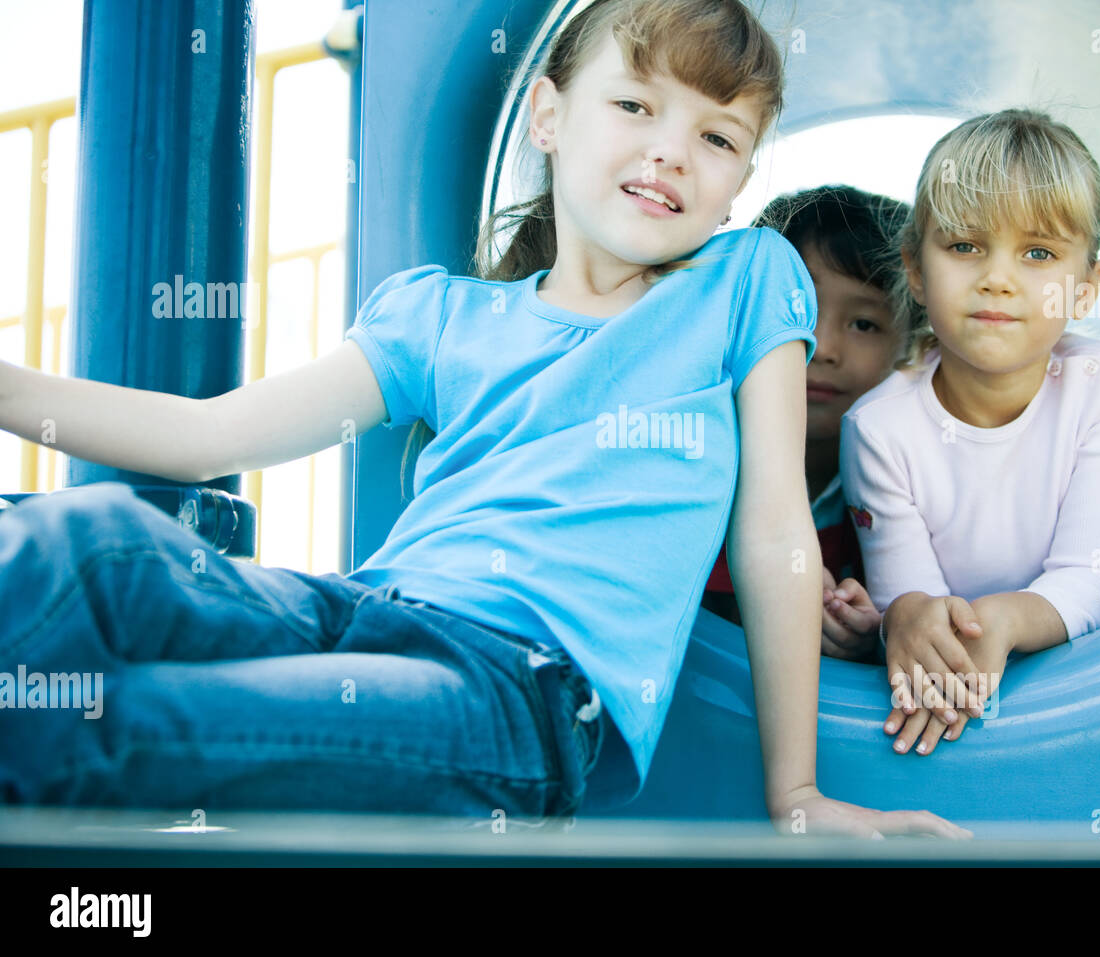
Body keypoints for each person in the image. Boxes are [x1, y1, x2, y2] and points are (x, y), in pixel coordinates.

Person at [0, 0, 967, 839]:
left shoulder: (745, 283)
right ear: (548, 115)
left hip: (516, 692)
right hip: (361, 614)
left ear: (737, 184)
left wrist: (795, 792)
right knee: (88, 544)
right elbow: (209, 436)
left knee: (118, 724)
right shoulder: (440, 316)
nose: (672, 149)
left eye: (717, 138)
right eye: (635, 105)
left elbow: (774, 530)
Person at [840, 109, 1100, 758]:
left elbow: (1092, 577)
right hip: (970, 643)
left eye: (1039, 253)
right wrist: (906, 618)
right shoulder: (878, 427)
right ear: (915, 269)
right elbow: (911, 603)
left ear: (1086, 289)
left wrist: (1003, 619)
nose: (997, 278)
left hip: (1053, 635)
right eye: (965, 246)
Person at [700, 186, 909, 664]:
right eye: (799, 308)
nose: (823, 346)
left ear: (911, 346)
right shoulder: (699, 455)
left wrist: (869, 634)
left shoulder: (903, 483)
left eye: (864, 324)